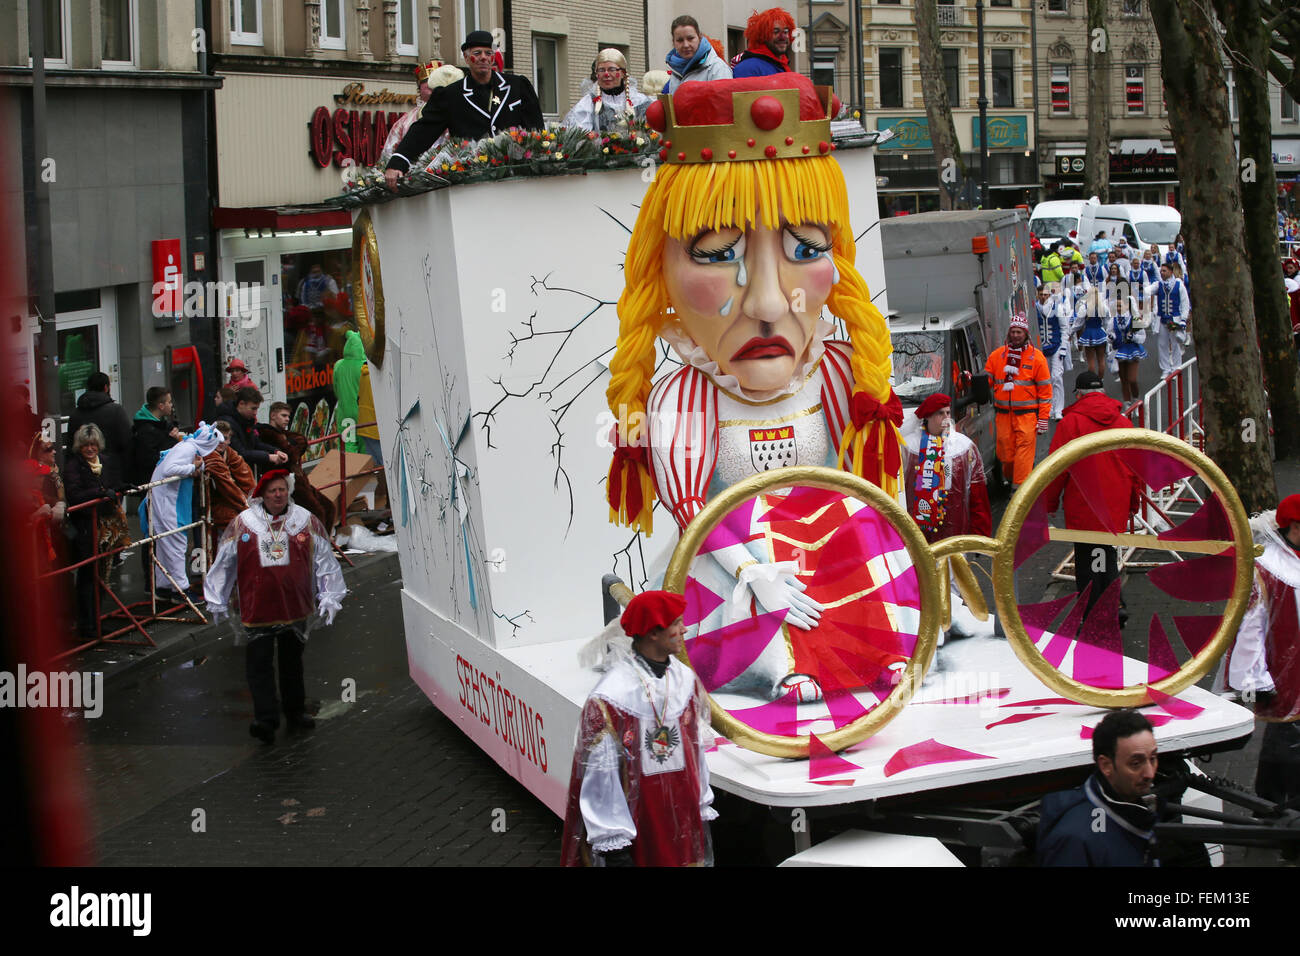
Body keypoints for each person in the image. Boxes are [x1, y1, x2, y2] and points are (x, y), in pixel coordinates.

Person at [604, 73, 904, 704]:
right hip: (730, 565)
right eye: (717, 254)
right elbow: (695, 514)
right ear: (658, 271)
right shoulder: (682, 399)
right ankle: (783, 661)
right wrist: (753, 570)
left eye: (806, 246)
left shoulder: (839, 371)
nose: (769, 302)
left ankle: (881, 643)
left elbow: (869, 496)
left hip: (834, 554)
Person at [560, 590, 716, 866]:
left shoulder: (684, 679)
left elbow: (696, 753)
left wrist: (701, 805)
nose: (685, 629)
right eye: (676, 623)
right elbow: (601, 773)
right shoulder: (612, 695)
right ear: (653, 633)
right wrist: (615, 846)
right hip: (640, 825)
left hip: (682, 820)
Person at [205, 470, 346, 744]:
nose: (278, 495)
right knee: (259, 666)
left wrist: (330, 595)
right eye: (272, 491)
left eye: (282, 489)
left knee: (291, 664)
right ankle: (265, 719)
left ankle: (295, 712)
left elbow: (325, 560)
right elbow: (224, 563)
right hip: (257, 609)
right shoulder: (243, 523)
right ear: (263, 494)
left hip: (295, 607)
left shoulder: (305, 520)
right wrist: (216, 597)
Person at [384, 30, 544, 189]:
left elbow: (536, 129)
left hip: (518, 177)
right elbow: (423, 130)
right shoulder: (450, 95)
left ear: (493, 58)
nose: (483, 57)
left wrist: (544, 160)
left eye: (488, 53)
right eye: (477, 53)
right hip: (473, 181)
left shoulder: (518, 86)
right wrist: (398, 161)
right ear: (467, 58)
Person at [1043, 370, 1140, 628]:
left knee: (1087, 561)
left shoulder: (1070, 424)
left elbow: (1057, 469)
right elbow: (1136, 467)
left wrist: (1049, 503)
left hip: (1083, 502)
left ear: (1078, 394)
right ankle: (1114, 605)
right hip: (1114, 501)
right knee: (1105, 554)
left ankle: (1095, 614)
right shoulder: (1123, 422)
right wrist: (1133, 502)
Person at [1229, 495, 1300, 823]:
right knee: (1285, 747)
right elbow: (1250, 627)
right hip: (1284, 677)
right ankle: (1276, 815)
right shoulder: (1268, 568)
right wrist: (1254, 681)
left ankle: (1273, 810)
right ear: (1295, 527)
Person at [1037, 710, 1162, 866]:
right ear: (1106, 765)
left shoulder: (1141, 811)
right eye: (1135, 764)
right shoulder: (1075, 840)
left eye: (1153, 758)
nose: (1149, 773)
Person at [63, 424, 132, 641]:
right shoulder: (73, 466)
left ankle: (97, 622)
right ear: (79, 446)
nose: (90, 449)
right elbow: (74, 495)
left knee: (103, 575)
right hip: (86, 528)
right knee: (87, 578)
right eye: (86, 445)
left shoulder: (107, 461)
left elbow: (113, 484)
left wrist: (123, 487)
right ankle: (87, 627)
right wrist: (101, 493)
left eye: (93, 444)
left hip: (106, 528)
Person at [141, 423, 223, 604]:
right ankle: (181, 589)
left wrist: (195, 467)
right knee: (176, 544)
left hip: (166, 500)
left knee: (165, 545)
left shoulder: (188, 446)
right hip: (169, 502)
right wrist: (192, 469)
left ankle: (164, 587)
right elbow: (171, 469)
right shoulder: (187, 449)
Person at [901, 393, 991, 544]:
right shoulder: (908, 447)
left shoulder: (963, 446)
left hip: (954, 528)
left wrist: (979, 535)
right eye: (940, 413)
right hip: (917, 534)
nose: (945, 417)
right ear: (928, 416)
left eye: (948, 413)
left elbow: (978, 493)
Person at [983, 312, 1051, 491]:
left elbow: (1045, 392)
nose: (1015, 335)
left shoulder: (1037, 358)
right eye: (1013, 331)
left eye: (1019, 332)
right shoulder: (997, 356)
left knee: (1023, 454)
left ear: (1026, 334)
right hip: (1003, 416)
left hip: (1027, 416)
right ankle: (1015, 478)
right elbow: (985, 380)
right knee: (1006, 455)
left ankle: (1020, 492)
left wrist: (1043, 418)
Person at [258, 401, 337, 530]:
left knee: (329, 508)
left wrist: (290, 444)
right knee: (317, 513)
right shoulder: (266, 433)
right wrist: (290, 445)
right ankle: (315, 545)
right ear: (273, 415)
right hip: (284, 482)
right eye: (283, 416)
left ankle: (321, 544)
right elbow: (291, 455)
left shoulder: (284, 434)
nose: (287, 420)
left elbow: (301, 442)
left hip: (297, 480)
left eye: (288, 416)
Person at [378, 60, 464, 166]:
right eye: (429, 87)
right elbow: (388, 154)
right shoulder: (404, 122)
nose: (435, 90)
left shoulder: (461, 113)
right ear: (420, 89)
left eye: (439, 86)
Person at [562, 49, 650, 132]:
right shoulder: (588, 104)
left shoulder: (640, 102)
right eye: (601, 70)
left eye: (612, 69)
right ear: (596, 74)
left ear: (622, 73)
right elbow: (579, 135)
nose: (606, 74)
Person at [203, 421, 256, 554]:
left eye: (226, 438)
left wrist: (255, 500)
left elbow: (246, 478)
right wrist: (248, 508)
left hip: (221, 503)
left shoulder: (230, 453)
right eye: (218, 437)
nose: (222, 442)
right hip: (204, 505)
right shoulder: (209, 455)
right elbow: (228, 488)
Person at [215, 386, 287, 474]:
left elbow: (256, 443)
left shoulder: (245, 420)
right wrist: (268, 457)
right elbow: (239, 453)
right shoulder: (227, 423)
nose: (255, 413)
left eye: (257, 409)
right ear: (241, 404)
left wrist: (275, 451)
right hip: (232, 473)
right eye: (253, 408)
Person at [66, 371, 131, 461]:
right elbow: (126, 442)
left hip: (83, 468)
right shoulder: (116, 411)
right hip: (112, 468)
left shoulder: (75, 414)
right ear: (106, 388)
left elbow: (71, 447)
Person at [130, 386, 184, 487]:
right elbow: (149, 459)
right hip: (152, 483)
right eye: (169, 402)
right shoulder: (145, 430)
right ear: (161, 406)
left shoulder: (162, 424)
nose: (172, 405)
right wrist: (172, 441)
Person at [662, 15, 732, 93]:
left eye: (690, 38)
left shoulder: (717, 68)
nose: (686, 45)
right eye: (680, 40)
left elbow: (724, 103)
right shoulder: (676, 70)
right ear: (673, 42)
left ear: (700, 37)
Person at [1038, 283, 1072, 420]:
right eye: (1041, 295)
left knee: (1057, 377)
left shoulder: (1058, 307)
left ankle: (1059, 409)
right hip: (1041, 349)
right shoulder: (1034, 308)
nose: (1043, 297)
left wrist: (1064, 347)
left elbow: (1065, 329)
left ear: (1049, 295)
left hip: (1056, 346)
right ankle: (1049, 408)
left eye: (1045, 294)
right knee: (1045, 380)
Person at [731, 8, 796, 78]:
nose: (782, 37)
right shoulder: (749, 68)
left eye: (785, 31)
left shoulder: (781, 65)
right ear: (762, 36)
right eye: (776, 32)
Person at [1152, 261, 1190, 376]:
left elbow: (1185, 303)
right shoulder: (1159, 285)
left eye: (1164, 271)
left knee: (1175, 344)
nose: (1162, 273)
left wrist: (1183, 319)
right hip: (1163, 320)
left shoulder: (1179, 284)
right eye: (1161, 271)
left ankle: (1176, 367)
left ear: (1170, 272)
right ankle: (1166, 369)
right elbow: (1148, 290)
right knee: (1162, 344)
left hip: (1174, 320)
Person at [1110, 286, 1147, 403]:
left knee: (1132, 379)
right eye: (1117, 306)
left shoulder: (1134, 319)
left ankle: (1136, 399)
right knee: (1124, 380)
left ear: (1127, 306)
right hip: (1120, 350)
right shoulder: (1113, 320)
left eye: (1121, 305)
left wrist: (1134, 337)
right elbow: (1109, 333)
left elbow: (1143, 336)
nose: (1118, 308)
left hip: (1132, 350)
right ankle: (1127, 404)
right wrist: (1111, 337)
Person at [1072, 285, 1111, 378]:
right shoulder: (1103, 307)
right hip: (1100, 333)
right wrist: (1108, 333)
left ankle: (1093, 381)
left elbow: (1078, 323)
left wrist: (1070, 332)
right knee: (1101, 360)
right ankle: (1100, 381)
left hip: (1088, 334)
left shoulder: (1084, 307)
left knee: (1091, 361)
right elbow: (1107, 323)